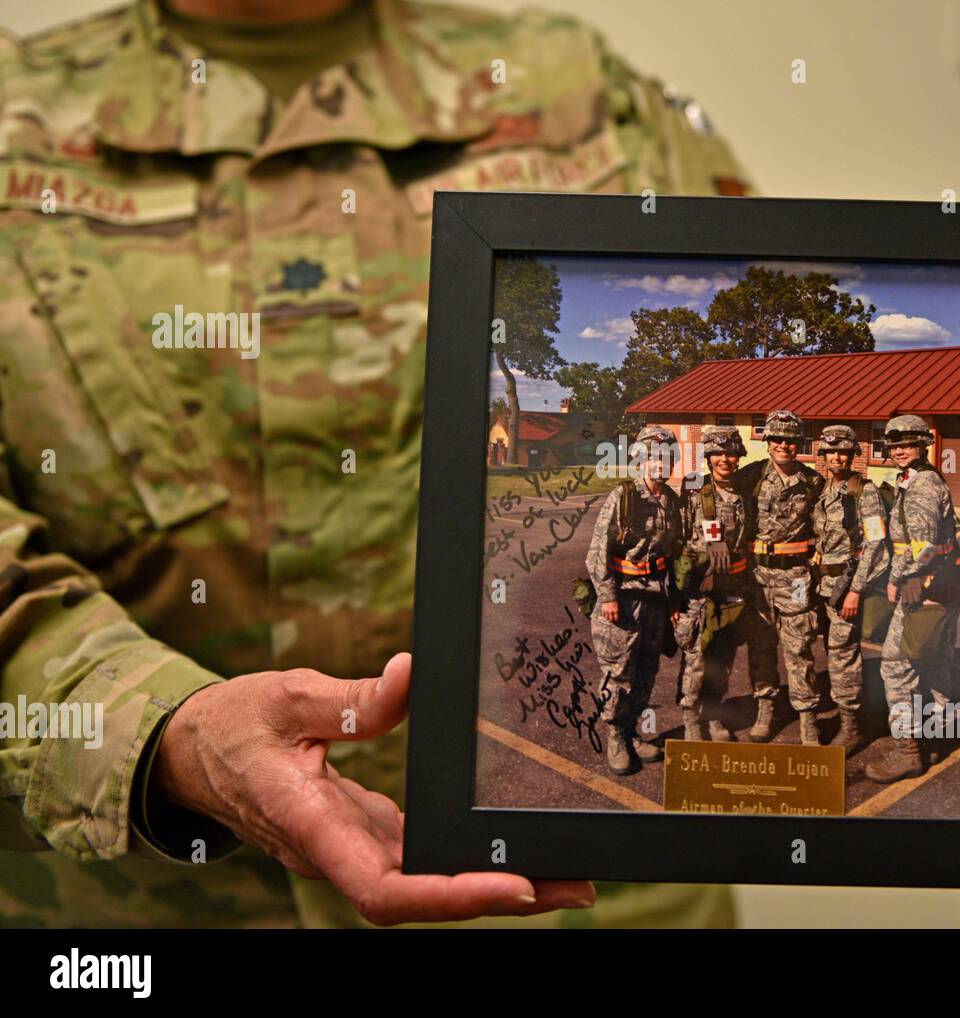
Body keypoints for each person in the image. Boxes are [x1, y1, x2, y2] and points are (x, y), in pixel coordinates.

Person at [0, 0, 748, 929]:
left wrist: (957, 815)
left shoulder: (575, 97)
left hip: (577, 888)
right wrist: (170, 730)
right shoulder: (13, 122)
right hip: (154, 906)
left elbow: (757, 357)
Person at [866, 414, 960, 783]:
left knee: (896, 663)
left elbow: (923, 550)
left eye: (907, 443)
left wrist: (897, 579)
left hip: (923, 583)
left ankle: (907, 750)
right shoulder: (917, 479)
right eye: (893, 444)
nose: (899, 450)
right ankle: (939, 730)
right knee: (935, 659)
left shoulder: (922, 487)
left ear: (923, 445)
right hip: (946, 581)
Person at [585, 427, 683, 775]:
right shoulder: (624, 497)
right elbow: (597, 553)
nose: (660, 464)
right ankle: (615, 736)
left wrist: (672, 601)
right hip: (623, 599)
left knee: (646, 670)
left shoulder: (672, 500)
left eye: (666, 458)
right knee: (619, 672)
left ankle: (633, 731)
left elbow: (672, 556)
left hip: (655, 599)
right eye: (653, 457)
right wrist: (608, 596)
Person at [672, 425, 777, 742]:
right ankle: (691, 720)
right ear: (708, 456)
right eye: (718, 453)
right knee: (697, 659)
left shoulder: (744, 494)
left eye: (731, 454)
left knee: (722, 659)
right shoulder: (693, 491)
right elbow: (678, 540)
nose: (725, 460)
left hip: (735, 589)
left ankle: (714, 715)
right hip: (701, 591)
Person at [732, 410, 825, 745]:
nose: (784, 445)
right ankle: (766, 708)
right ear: (767, 442)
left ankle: (807, 718)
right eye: (778, 439)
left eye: (791, 440)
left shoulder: (814, 483)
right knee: (760, 646)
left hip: (797, 577)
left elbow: (827, 530)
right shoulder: (750, 478)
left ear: (799, 444)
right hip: (757, 576)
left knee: (799, 649)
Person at [809, 425, 890, 755]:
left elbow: (876, 544)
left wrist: (856, 590)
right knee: (831, 650)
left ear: (854, 455)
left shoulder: (864, 492)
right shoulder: (824, 488)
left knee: (843, 656)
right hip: (821, 585)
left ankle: (851, 727)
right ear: (823, 456)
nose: (837, 457)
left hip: (845, 587)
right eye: (831, 452)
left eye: (843, 451)